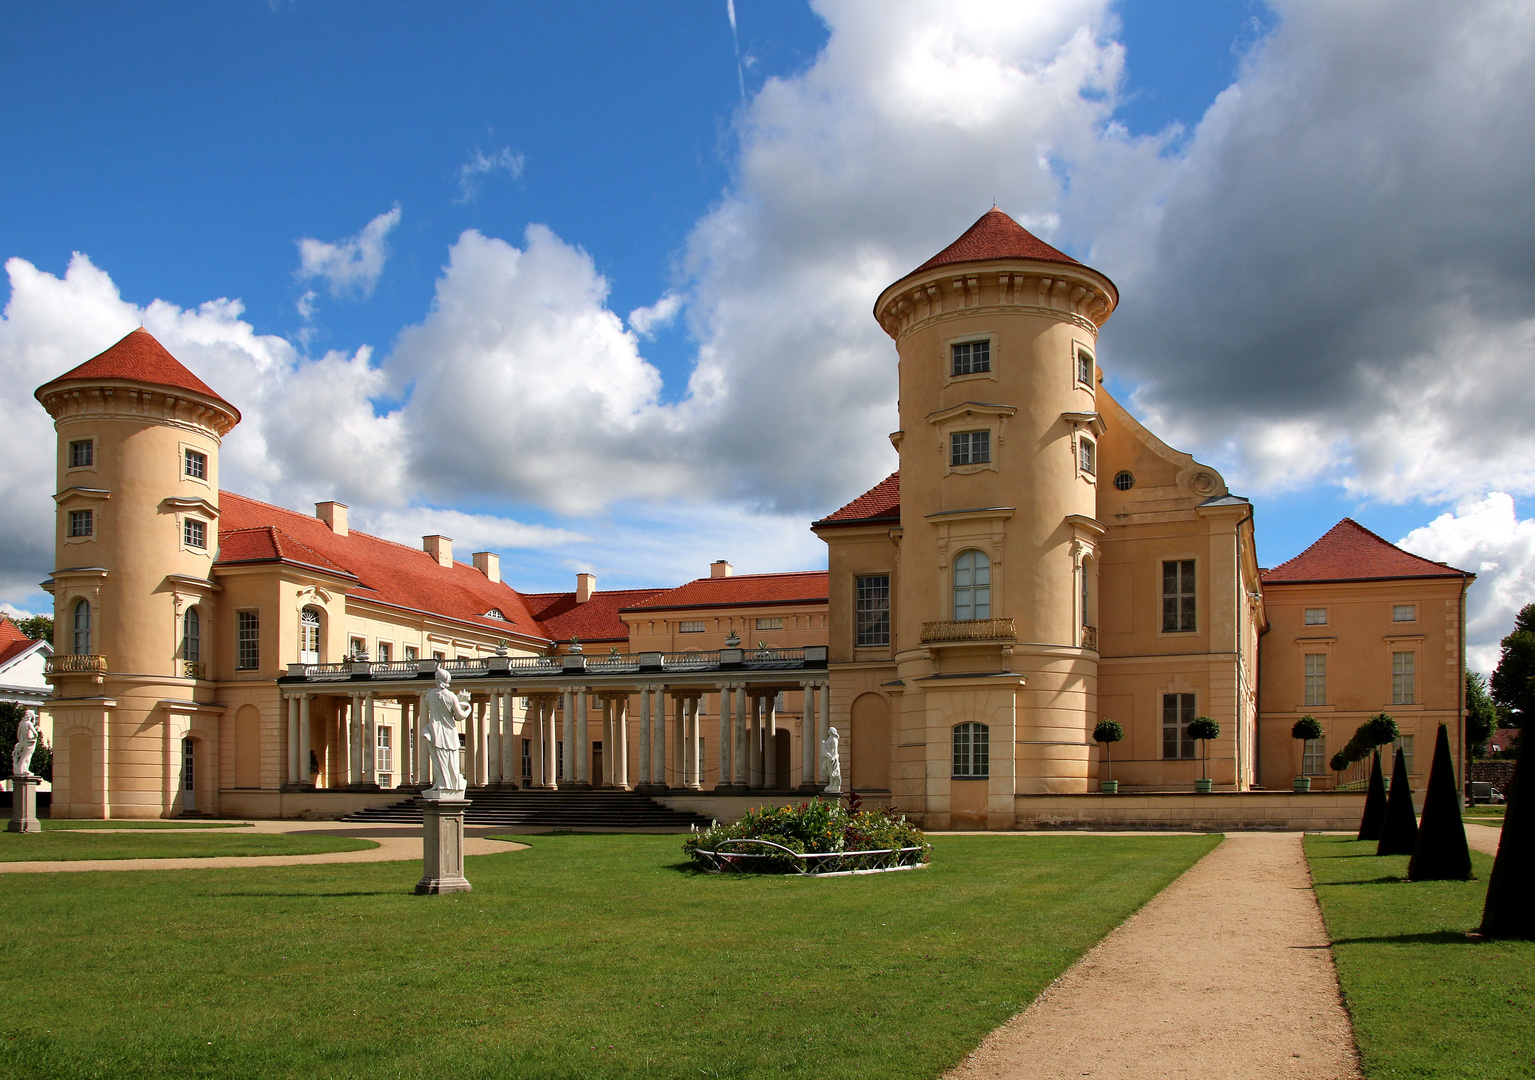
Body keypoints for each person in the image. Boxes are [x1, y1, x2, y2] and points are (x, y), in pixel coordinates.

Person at [422, 668, 469, 798]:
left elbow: (436, 707)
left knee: (438, 759)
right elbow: (459, 716)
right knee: (451, 760)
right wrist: (467, 708)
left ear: (437, 680)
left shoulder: (429, 695)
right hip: (448, 732)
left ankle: (441, 783)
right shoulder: (451, 696)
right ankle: (450, 785)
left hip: (434, 731)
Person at [11, 709, 39, 778]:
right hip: (30, 741)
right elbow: (35, 733)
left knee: (23, 756)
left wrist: (20, 741)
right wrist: (34, 738)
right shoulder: (29, 723)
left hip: (24, 741)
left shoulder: (21, 723)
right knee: (27, 756)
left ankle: (19, 770)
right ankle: (24, 770)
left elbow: (18, 733)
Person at [820, 726, 842, 794]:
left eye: (829, 730)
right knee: (824, 768)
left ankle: (832, 784)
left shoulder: (834, 739)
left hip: (832, 755)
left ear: (832, 731)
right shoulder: (830, 738)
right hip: (828, 755)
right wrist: (823, 744)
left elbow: (835, 749)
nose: (828, 731)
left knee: (831, 770)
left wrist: (834, 757)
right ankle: (833, 782)